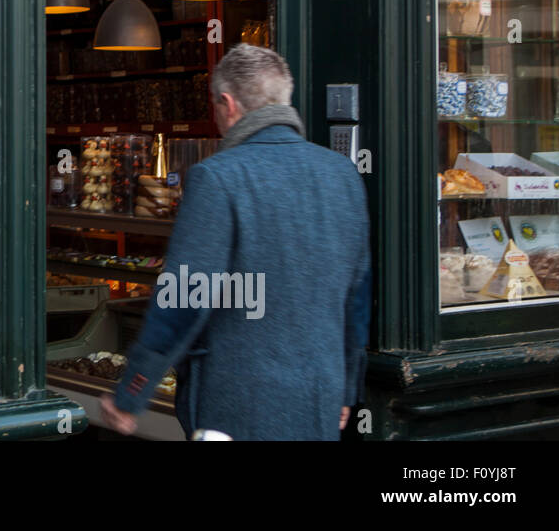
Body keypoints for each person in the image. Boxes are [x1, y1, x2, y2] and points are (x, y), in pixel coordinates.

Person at [100, 44, 371, 440]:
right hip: (320, 401)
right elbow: (357, 297)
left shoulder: (218, 177)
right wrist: (346, 388)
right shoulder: (341, 175)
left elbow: (185, 299)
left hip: (237, 407)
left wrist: (132, 390)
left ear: (227, 104)